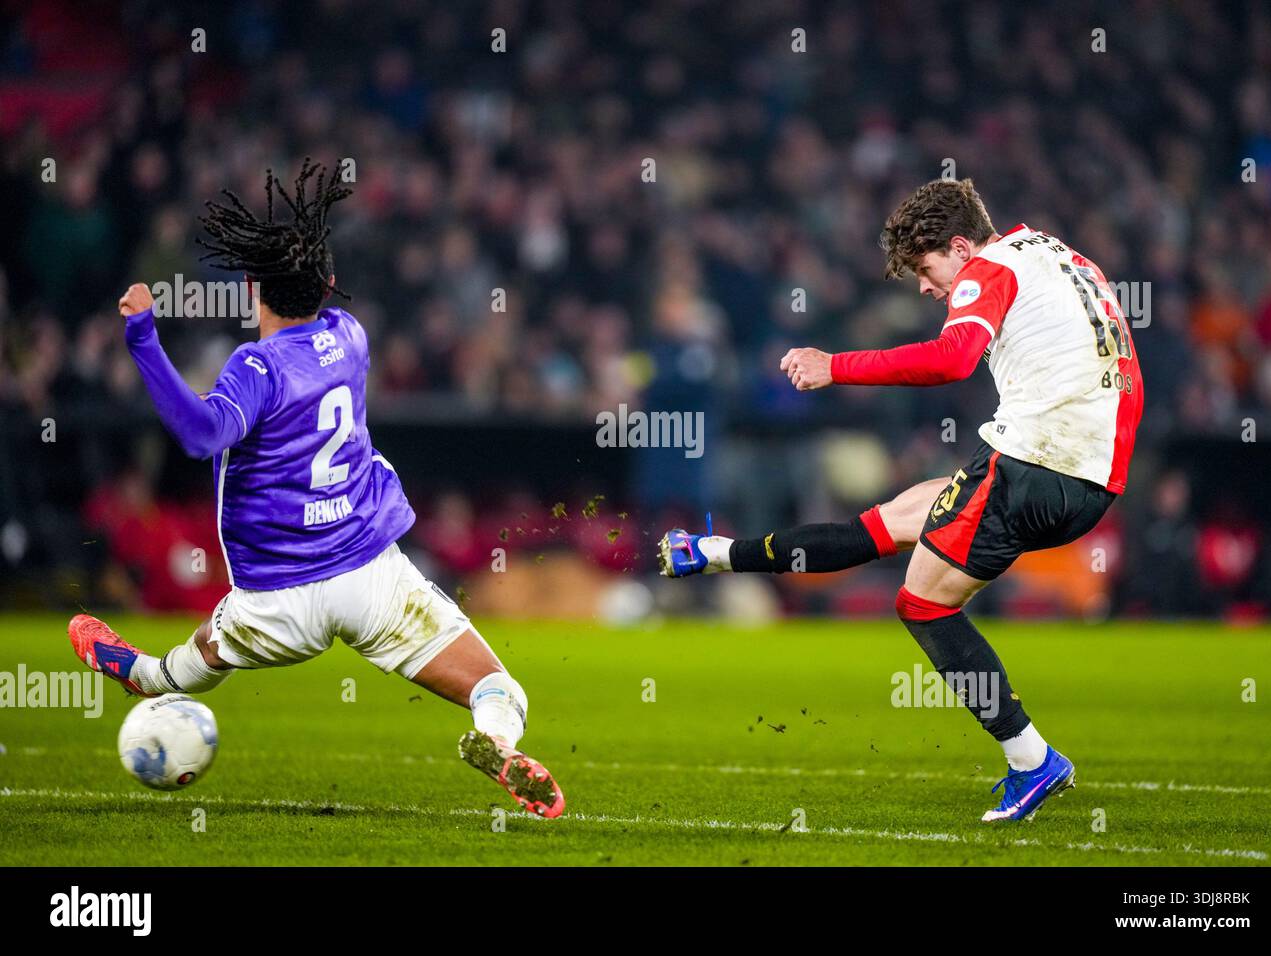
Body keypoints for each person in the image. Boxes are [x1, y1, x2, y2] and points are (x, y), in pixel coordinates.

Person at [69, 159, 564, 818]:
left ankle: (135, 672)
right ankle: (493, 741)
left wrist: (143, 340)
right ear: (329, 286)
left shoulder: (255, 366)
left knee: (185, 671)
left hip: (278, 597)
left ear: (251, 288)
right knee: (500, 690)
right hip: (372, 579)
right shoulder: (350, 337)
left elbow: (199, 434)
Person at [660, 178, 1143, 823]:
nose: (924, 285)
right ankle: (715, 554)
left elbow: (953, 359)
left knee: (922, 602)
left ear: (962, 245)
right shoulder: (1057, 255)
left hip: (1043, 462)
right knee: (895, 520)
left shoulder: (989, 267)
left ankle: (1032, 760)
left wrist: (836, 366)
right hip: (1083, 466)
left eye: (925, 267)